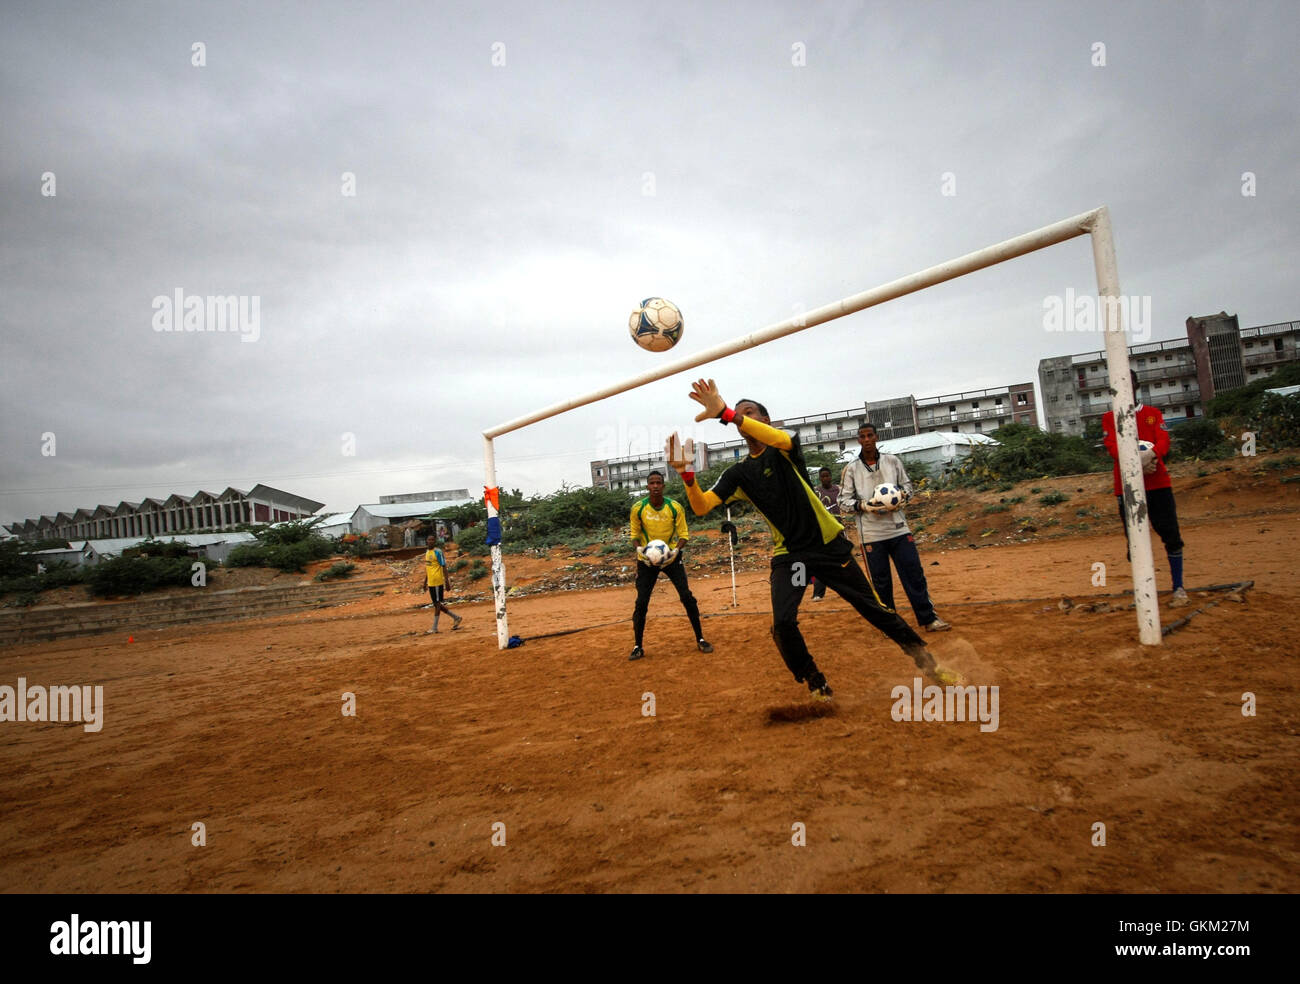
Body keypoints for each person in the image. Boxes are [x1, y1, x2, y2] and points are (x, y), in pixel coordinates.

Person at [666, 379, 953, 701]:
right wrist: (687, 476)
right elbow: (701, 506)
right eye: (740, 414)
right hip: (792, 557)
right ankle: (815, 682)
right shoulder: (737, 474)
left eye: (751, 413)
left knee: (875, 610)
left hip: (828, 547)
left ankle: (929, 664)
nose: (743, 417)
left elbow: (776, 437)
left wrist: (727, 412)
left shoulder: (784, 447)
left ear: (765, 421)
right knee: (783, 624)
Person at [840, 422, 952, 632]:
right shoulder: (852, 469)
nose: (866, 440)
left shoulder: (893, 461)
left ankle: (928, 619)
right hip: (871, 534)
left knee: (913, 574)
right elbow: (843, 502)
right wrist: (865, 505)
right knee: (881, 583)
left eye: (870, 435)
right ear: (858, 440)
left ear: (876, 437)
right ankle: (890, 626)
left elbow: (908, 487)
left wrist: (901, 498)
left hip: (899, 529)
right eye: (862, 437)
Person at [1103, 372, 1189, 607]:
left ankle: (1178, 588)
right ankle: (1143, 590)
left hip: (1158, 483)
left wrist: (1149, 456)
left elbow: (1163, 440)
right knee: (1135, 541)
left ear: (1137, 386)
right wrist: (1137, 462)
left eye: (1127, 384)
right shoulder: (1110, 418)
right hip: (1127, 488)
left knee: (1171, 535)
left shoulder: (1153, 414)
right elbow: (1112, 447)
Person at [628, 470, 713, 661]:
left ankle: (700, 638)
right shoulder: (638, 508)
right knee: (641, 602)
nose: (656, 486)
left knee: (687, 597)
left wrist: (675, 551)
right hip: (647, 560)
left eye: (659, 483)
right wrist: (639, 550)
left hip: (671, 558)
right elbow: (634, 534)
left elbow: (684, 534)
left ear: (663, 486)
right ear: (647, 486)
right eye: (652, 483)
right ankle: (637, 646)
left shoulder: (675, 507)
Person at [810, 467, 840, 601]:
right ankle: (818, 593)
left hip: (838, 530)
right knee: (821, 562)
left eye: (827, 476)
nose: (825, 478)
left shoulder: (839, 490)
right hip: (822, 532)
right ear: (820, 478)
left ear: (831, 476)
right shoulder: (816, 492)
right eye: (823, 476)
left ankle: (850, 591)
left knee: (843, 561)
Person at [423, 536, 463, 633]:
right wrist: (425, 582)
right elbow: (428, 569)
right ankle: (456, 617)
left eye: (432, 540)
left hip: (437, 581)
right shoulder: (427, 552)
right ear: (426, 541)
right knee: (436, 604)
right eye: (429, 539)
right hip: (431, 582)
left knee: (437, 604)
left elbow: (444, 566)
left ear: (435, 541)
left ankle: (435, 628)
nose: (430, 541)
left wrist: (447, 582)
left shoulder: (438, 552)